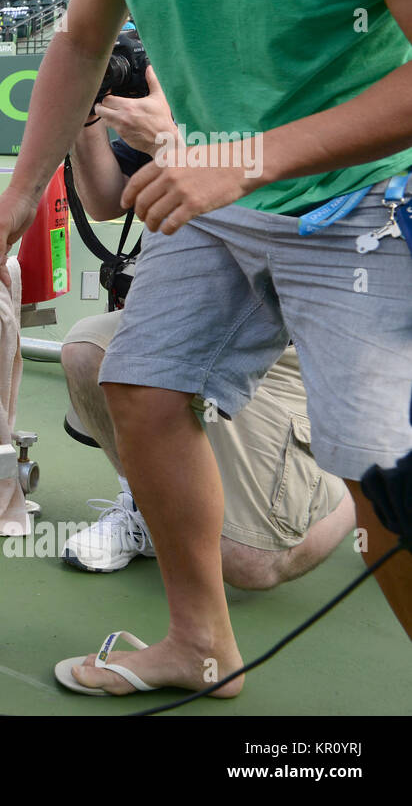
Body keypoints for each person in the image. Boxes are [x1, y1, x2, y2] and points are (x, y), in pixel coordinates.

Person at [0, 0, 412, 698]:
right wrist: (20, 194)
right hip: (223, 187)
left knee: (379, 472)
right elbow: (79, 39)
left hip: (364, 194)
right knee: (137, 383)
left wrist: (246, 161)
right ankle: (201, 646)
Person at [60, 61, 355, 587]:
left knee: (248, 563)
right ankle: (149, 508)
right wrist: (85, 113)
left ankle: (365, 482)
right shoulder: (186, 72)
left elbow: (278, 218)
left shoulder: (307, 76)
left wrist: (170, 147)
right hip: (203, 330)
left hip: (291, 348)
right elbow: (106, 199)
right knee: (90, 350)